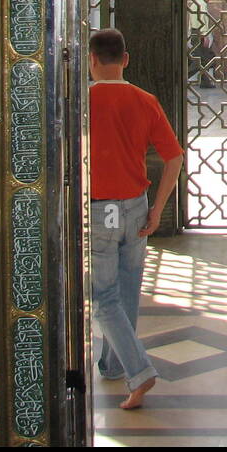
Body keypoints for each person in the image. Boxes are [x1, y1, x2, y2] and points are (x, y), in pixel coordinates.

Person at [88, 28, 184, 410]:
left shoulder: (81, 102)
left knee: (103, 297)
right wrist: (158, 208)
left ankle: (139, 371)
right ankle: (112, 364)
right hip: (136, 205)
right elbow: (173, 157)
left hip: (100, 209)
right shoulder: (145, 100)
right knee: (126, 289)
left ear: (92, 60)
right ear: (126, 59)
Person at [189, 0, 216, 89]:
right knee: (201, 60)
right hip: (200, 34)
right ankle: (183, 77)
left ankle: (205, 82)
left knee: (203, 59)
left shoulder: (195, 4)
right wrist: (204, 35)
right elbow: (202, 20)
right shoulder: (201, 4)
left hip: (195, 33)